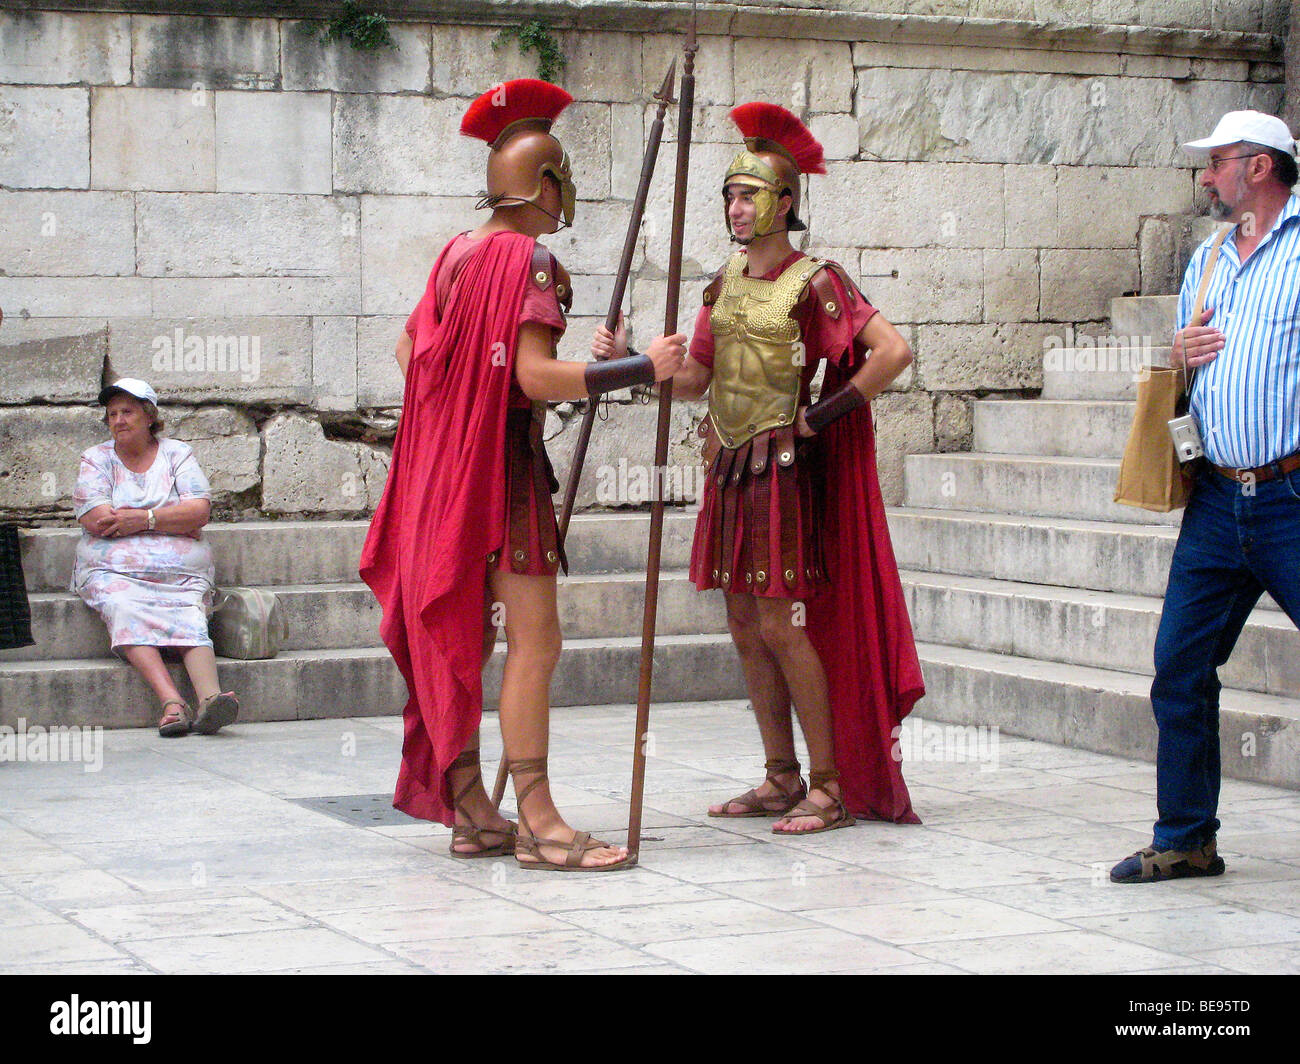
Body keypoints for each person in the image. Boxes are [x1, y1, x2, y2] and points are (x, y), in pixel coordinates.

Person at [360, 79, 686, 872]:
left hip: (441, 479)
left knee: (466, 639)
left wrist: (466, 414)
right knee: (536, 642)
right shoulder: (530, 259)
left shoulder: (455, 255)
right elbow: (534, 379)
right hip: (502, 479)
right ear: (544, 184)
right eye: (561, 176)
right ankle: (539, 822)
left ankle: (473, 811)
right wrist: (642, 368)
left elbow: (413, 356)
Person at [594, 103, 925, 834]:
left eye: (749, 195)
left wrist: (821, 417)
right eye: (729, 195)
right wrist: (634, 367)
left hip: (782, 470)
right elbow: (697, 382)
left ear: (784, 203)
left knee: (782, 621)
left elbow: (894, 352)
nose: (735, 208)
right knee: (743, 621)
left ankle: (830, 785)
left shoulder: (816, 279)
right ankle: (782, 775)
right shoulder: (725, 282)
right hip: (726, 467)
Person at [1110, 111, 1300, 883]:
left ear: (1259, 167)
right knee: (1179, 667)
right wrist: (1179, 353)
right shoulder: (1212, 256)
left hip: (1292, 496)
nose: (1205, 177)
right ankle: (1187, 836)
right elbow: (1189, 361)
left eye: (1217, 162)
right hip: (1220, 502)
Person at [72, 378, 239, 737]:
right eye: (112, 414)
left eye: (127, 411)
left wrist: (140, 519)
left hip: (179, 574)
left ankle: (211, 699)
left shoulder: (177, 454)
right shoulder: (97, 459)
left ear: (149, 416)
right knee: (123, 605)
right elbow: (96, 518)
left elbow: (198, 511)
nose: (118, 420)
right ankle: (172, 703)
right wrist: (170, 520)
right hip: (115, 571)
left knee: (189, 609)